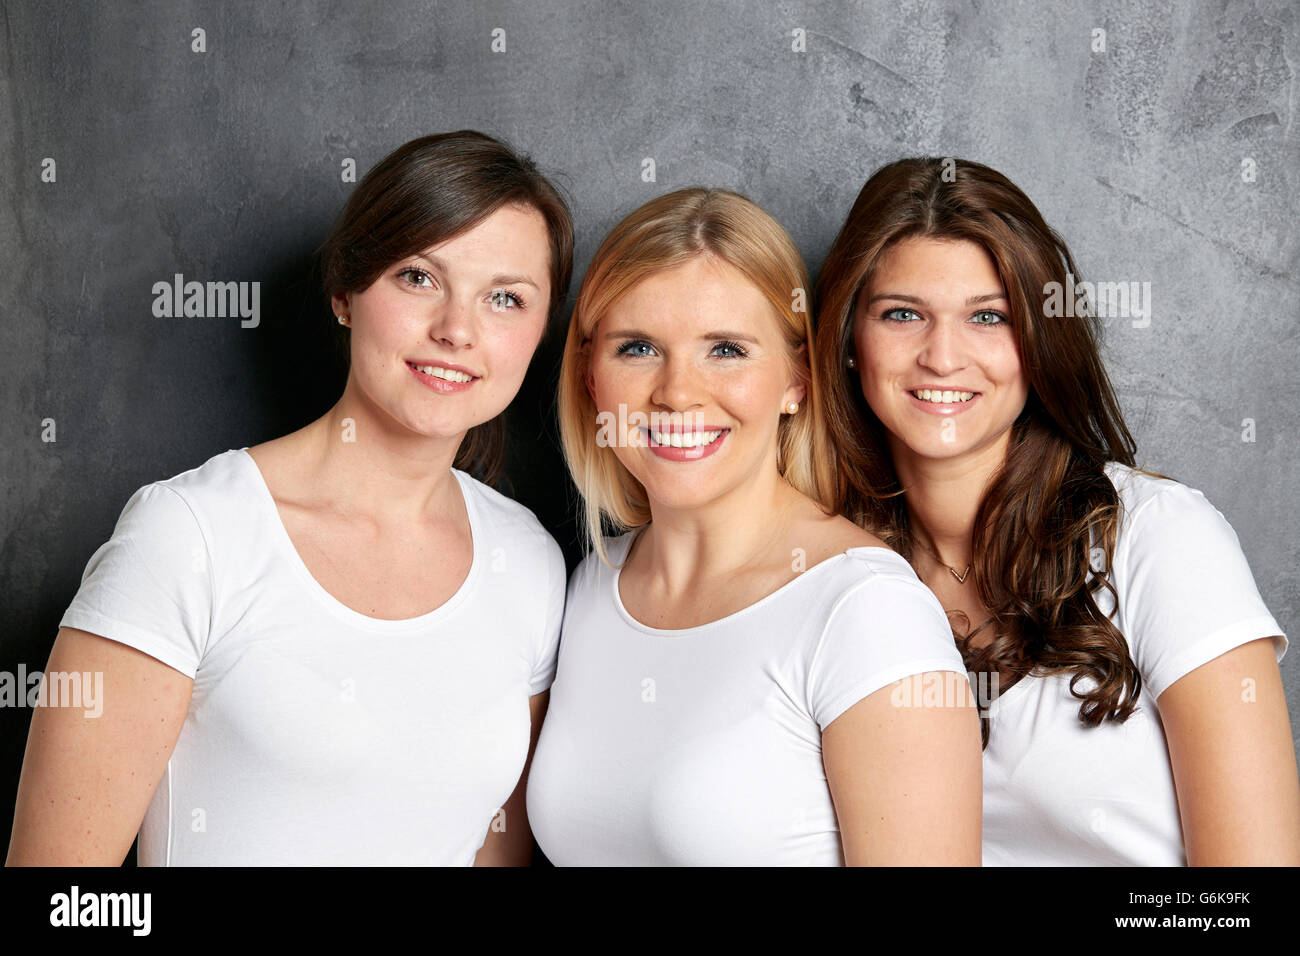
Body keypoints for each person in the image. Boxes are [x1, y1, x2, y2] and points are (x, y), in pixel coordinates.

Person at [7, 130, 575, 866]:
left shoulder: (527, 561)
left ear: (540, 331)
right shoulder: (191, 537)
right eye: (417, 277)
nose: (457, 330)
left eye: (505, 297)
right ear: (345, 291)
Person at [813, 156, 1300, 865]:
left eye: (988, 317)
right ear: (850, 341)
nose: (942, 357)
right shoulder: (830, 566)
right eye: (902, 314)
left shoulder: (1160, 536)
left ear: (1038, 341)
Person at [525, 187, 982, 866]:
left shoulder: (865, 609)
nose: (678, 392)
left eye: (728, 350)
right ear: (590, 377)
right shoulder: (591, 585)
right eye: (638, 348)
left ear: (797, 378)